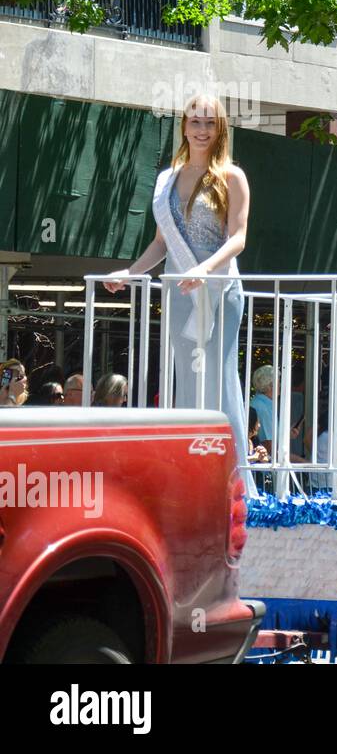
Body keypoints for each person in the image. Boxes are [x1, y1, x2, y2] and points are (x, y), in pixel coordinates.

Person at [105, 93, 253, 494]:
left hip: (217, 290)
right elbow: (160, 244)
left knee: (218, 380)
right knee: (187, 381)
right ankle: (196, 478)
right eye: (194, 122)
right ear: (183, 127)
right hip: (178, 289)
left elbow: (237, 238)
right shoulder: (166, 179)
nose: (201, 130)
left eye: (209, 123)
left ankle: (235, 484)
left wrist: (204, 271)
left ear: (220, 128)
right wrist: (130, 273)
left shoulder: (232, 177)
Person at [249, 365, 278, 452]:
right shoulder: (262, 406)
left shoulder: (264, 402)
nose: (281, 385)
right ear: (270, 386)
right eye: (279, 382)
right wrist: (302, 461)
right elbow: (270, 446)